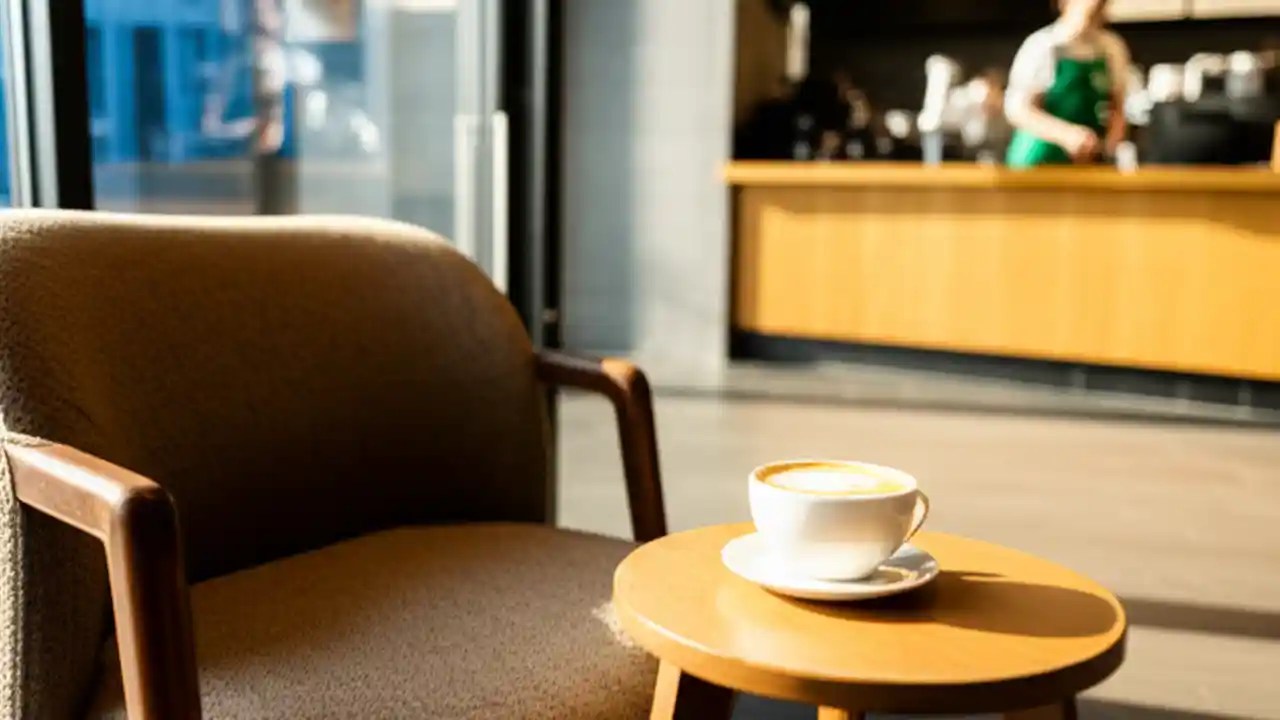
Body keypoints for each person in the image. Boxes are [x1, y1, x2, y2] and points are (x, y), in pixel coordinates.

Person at [1004, 0, 1130, 168]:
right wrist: (1066, 135)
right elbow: (1018, 109)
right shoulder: (1042, 46)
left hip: (1089, 161)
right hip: (1039, 159)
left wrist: (1110, 143)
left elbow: (1118, 106)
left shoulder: (1112, 48)